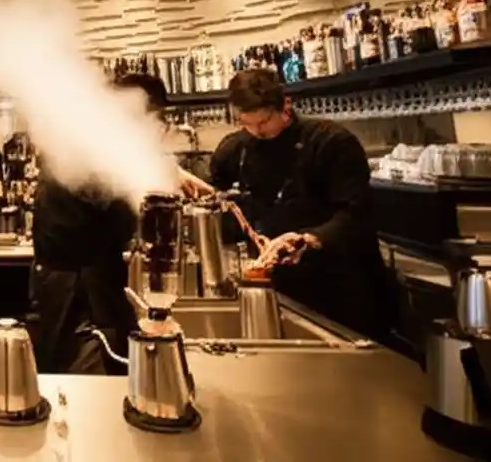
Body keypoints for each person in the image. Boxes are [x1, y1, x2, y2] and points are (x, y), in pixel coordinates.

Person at [28, 73, 212, 375]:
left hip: (93, 276)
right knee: (85, 370)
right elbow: (105, 189)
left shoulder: (103, 142)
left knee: (111, 361)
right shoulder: (88, 143)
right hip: (75, 288)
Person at [209, 69, 389, 338]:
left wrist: (309, 240)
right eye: (246, 123)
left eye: (264, 121)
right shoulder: (236, 149)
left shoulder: (331, 142)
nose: (257, 131)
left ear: (286, 105)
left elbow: (356, 214)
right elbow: (216, 198)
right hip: (281, 288)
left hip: (341, 285)